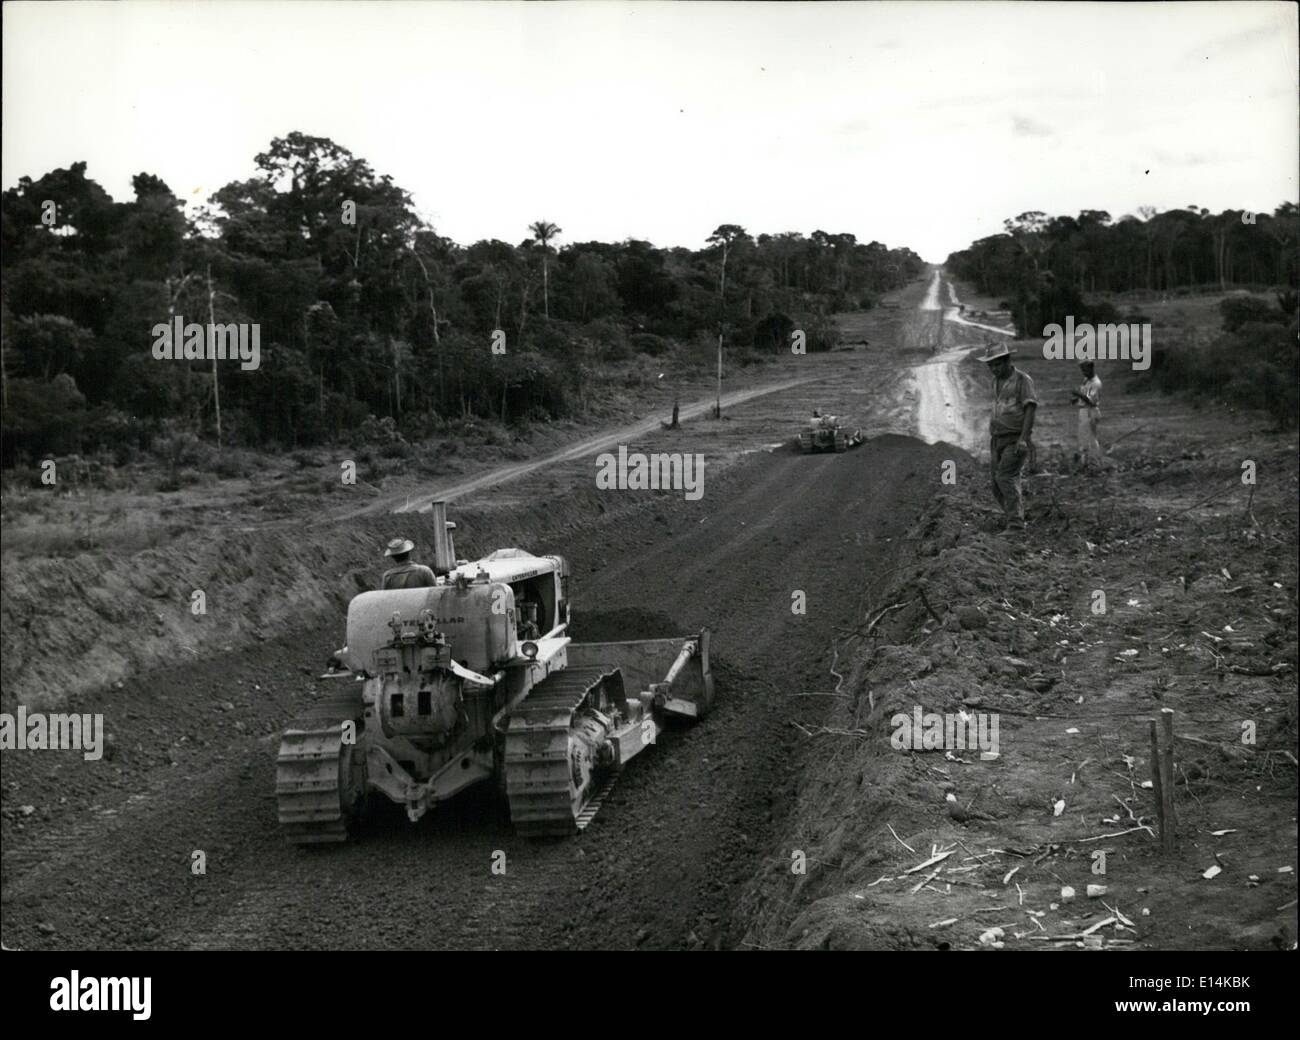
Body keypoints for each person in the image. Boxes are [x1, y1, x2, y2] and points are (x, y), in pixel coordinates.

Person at [979, 343, 1037, 530]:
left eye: (997, 364)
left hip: (1015, 438)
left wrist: (1024, 438)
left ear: (1008, 361)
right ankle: (1013, 516)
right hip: (997, 438)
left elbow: (1030, 408)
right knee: (996, 485)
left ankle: (1016, 524)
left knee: (1005, 477)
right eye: (991, 366)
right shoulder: (995, 382)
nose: (994, 369)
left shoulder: (1022, 380)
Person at [1070, 359, 1102, 469]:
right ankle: (1086, 463)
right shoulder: (1086, 380)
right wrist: (1076, 399)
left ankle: (1095, 463)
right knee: (1083, 437)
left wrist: (1079, 395)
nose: (1083, 373)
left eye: (1085, 370)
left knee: (1090, 438)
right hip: (1084, 410)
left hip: (1090, 411)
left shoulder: (1095, 383)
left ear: (1091, 368)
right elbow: (1084, 394)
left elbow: (1091, 400)